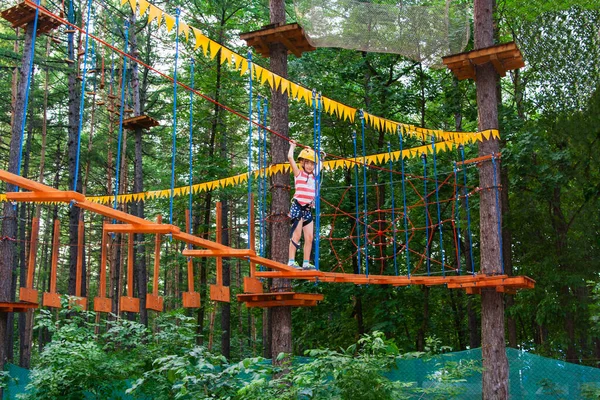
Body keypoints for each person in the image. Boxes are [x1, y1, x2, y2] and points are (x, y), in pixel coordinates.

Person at [287, 140, 325, 270]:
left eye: (311, 163)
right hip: (298, 207)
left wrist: (314, 153)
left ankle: (306, 262)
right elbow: (290, 157)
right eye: (307, 163)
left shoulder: (315, 176)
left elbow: (320, 163)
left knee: (309, 238)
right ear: (302, 163)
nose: (309, 166)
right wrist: (293, 146)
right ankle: (291, 261)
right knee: (296, 236)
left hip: (308, 210)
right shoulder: (298, 174)